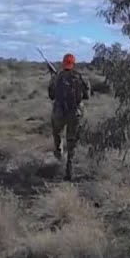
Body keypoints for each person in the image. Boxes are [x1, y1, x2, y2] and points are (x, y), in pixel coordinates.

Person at [47, 52, 91, 180]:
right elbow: (87, 96)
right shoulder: (80, 77)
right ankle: (69, 170)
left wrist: (53, 78)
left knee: (57, 132)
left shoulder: (57, 77)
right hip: (75, 113)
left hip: (59, 112)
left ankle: (59, 151)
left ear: (63, 63)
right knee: (72, 142)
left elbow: (51, 95)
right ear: (74, 63)